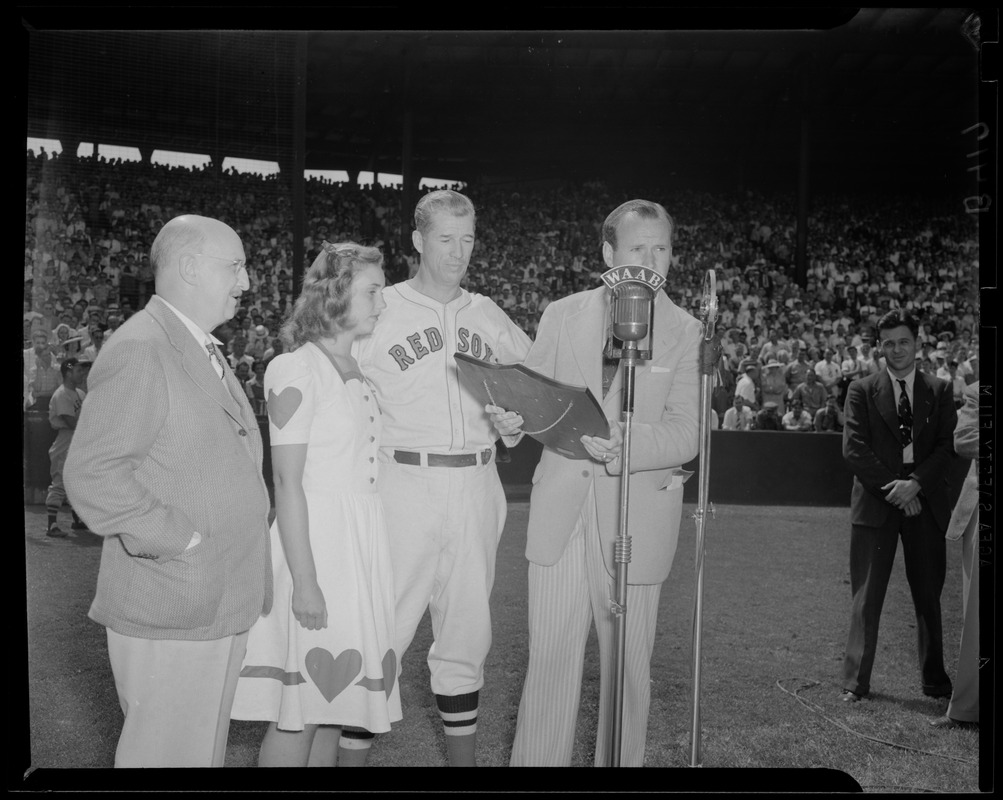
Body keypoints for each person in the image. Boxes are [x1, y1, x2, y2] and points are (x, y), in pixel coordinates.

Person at [491, 199, 701, 767]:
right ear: (608, 253)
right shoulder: (562, 313)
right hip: (562, 514)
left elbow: (689, 433)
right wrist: (511, 423)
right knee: (550, 666)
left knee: (628, 675)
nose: (651, 261)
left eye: (662, 249)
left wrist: (629, 447)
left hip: (638, 523)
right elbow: (533, 398)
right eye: (638, 248)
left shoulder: (685, 329)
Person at [64, 214, 273, 767]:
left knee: (198, 759)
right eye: (235, 266)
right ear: (188, 267)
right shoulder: (143, 347)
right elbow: (93, 475)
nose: (246, 282)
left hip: (213, 600)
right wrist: (182, 543)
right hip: (174, 600)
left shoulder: (196, 345)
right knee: (167, 762)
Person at [353, 189, 532, 766]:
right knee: (383, 629)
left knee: (467, 633)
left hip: (478, 484)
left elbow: (531, 398)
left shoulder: (489, 314)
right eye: (446, 239)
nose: (459, 253)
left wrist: (515, 421)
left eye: (468, 239)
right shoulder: (381, 308)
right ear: (417, 240)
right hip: (402, 480)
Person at [231, 242, 400, 767]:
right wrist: (305, 582)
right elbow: (286, 480)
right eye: (372, 291)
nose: (381, 302)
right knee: (298, 711)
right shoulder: (297, 368)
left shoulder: (360, 371)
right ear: (334, 294)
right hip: (317, 548)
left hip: (358, 548)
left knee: (334, 705)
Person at [838, 309, 957, 704]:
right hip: (878, 502)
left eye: (904, 341)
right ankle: (856, 683)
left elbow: (946, 448)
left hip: (924, 503)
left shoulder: (939, 390)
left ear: (917, 344)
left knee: (928, 595)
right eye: (888, 342)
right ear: (879, 347)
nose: (897, 349)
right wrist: (897, 490)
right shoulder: (860, 389)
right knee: (866, 597)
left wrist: (916, 484)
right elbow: (854, 449)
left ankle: (935, 681)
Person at [930, 381, 980, 729]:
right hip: (983, 514)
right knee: (978, 617)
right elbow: (963, 440)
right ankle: (967, 709)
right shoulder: (981, 390)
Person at [44, 357, 90, 538]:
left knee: (78, 482)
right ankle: (52, 525)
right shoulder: (61, 394)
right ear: (68, 373)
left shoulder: (80, 393)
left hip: (78, 441)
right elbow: (71, 423)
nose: (82, 373)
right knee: (60, 483)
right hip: (65, 441)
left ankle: (77, 520)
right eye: (78, 370)